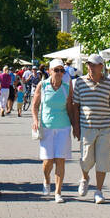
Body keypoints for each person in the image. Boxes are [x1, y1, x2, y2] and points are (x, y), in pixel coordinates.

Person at [69, 53, 110, 204]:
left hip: (105, 127)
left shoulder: (109, 84)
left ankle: (99, 191)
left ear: (101, 67)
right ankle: (85, 177)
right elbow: (75, 106)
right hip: (87, 127)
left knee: (103, 160)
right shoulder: (80, 82)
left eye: (94, 65)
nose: (91, 68)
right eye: (89, 65)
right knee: (86, 159)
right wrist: (76, 126)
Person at [31, 59, 73, 202]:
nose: (60, 73)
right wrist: (36, 120)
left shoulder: (67, 87)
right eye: (57, 70)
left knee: (60, 159)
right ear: (50, 71)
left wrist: (75, 127)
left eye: (62, 70)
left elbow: (70, 108)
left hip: (63, 126)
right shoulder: (42, 85)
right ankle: (46, 180)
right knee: (48, 161)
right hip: (47, 127)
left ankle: (58, 192)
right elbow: (35, 106)